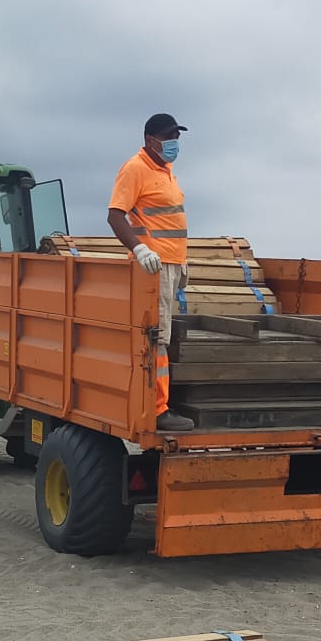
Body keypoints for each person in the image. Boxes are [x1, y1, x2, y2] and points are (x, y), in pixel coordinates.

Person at [109, 112, 193, 433]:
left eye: (177, 137)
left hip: (172, 267)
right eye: (170, 137)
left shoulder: (166, 171)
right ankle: (157, 409)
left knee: (164, 337)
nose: (175, 143)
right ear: (150, 140)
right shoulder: (135, 168)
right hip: (154, 269)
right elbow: (116, 215)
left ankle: (160, 403)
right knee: (158, 340)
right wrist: (139, 249)